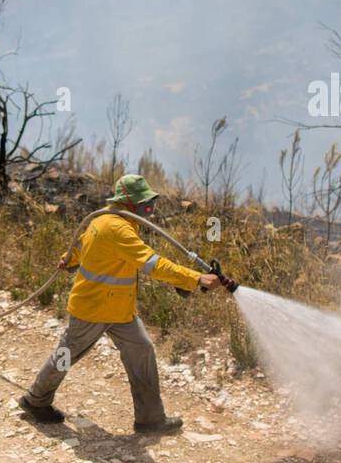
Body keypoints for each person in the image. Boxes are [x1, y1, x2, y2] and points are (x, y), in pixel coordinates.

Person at [19, 173, 222, 434]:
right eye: (144, 204)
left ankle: (150, 420)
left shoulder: (107, 221)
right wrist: (196, 278)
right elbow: (151, 264)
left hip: (119, 310)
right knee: (66, 355)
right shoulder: (116, 227)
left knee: (142, 351)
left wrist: (69, 259)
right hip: (93, 309)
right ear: (128, 203)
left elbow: (81, 246)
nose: (148, 209)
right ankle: (35, 400)